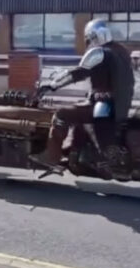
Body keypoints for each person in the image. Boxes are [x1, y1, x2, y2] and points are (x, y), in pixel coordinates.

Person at [32, 19, 134, 171]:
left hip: (103, 106)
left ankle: (51, 157)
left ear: (93, 36)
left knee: (62, 114)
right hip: (120, 106)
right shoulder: (122, 51)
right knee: (78, 113)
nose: (87, 42)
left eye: (88, 38)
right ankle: (71, 153)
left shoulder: (99, 52)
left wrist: (52, 85)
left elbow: (77, 73)